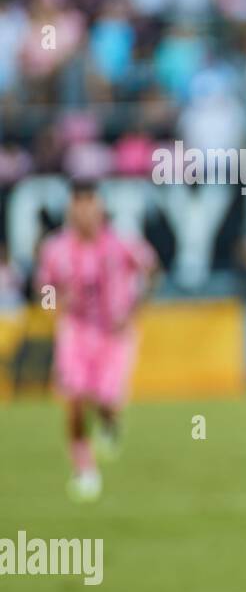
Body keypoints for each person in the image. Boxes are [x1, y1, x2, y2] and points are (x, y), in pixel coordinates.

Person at [36, 181, 158, 502]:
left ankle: (110, 424)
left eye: (90, 203)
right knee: (75, 398)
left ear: (101, 208)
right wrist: (55, 306)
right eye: (79, 203)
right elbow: (45, 289)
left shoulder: (122, 244)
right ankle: (84, 469)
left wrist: (135, 307)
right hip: (75, 330)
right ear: (71, 209)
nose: (85, 211)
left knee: (106, 399)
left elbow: (152, 268)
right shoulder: (56, 249)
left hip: (114, 334)